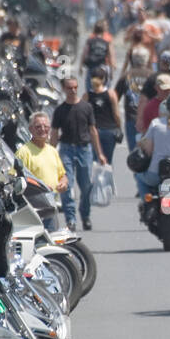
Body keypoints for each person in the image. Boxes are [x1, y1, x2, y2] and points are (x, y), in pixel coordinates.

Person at [50, 75, 107, 231]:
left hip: (84, 149)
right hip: (66, 149)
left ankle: (85, 215)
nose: (73, 90)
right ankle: (71, 220)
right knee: (66, 186)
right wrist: (50, 154)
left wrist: (100, 153)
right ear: (64, 89)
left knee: (86, 185)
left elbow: (93, 131)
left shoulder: (86, 107)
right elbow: (54, 133)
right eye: (69, 87)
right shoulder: (60, 110)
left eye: (75, 87)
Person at [16, 112, 69, 231]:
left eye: (46, 127)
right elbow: (15, 178)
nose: (42, 129)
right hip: (34, 208)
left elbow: (63, 175)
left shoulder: (52, 151)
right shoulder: (23, 152)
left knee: (51, 242)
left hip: (51, 205)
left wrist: (64, 183)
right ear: (30, 129)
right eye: (38, 127)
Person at [86, 70, 122, 167]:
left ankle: (95, 181)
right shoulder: (111, 94)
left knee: (94, 160)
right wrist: (119, 127)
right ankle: (106, 180)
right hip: (110, 130)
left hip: (94, 131)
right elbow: (116, 114)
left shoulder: (87, 95)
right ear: (104, 79)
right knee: (107, 161)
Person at [81, 21, 113, 88]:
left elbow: (84, 53)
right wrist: (111, 69)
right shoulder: (106, 41)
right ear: (103, 30)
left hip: (92, 67)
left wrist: (81, 66)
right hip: (103, 66)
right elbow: (110, 55)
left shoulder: (90, 40)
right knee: (105, 87)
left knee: (90, 87)